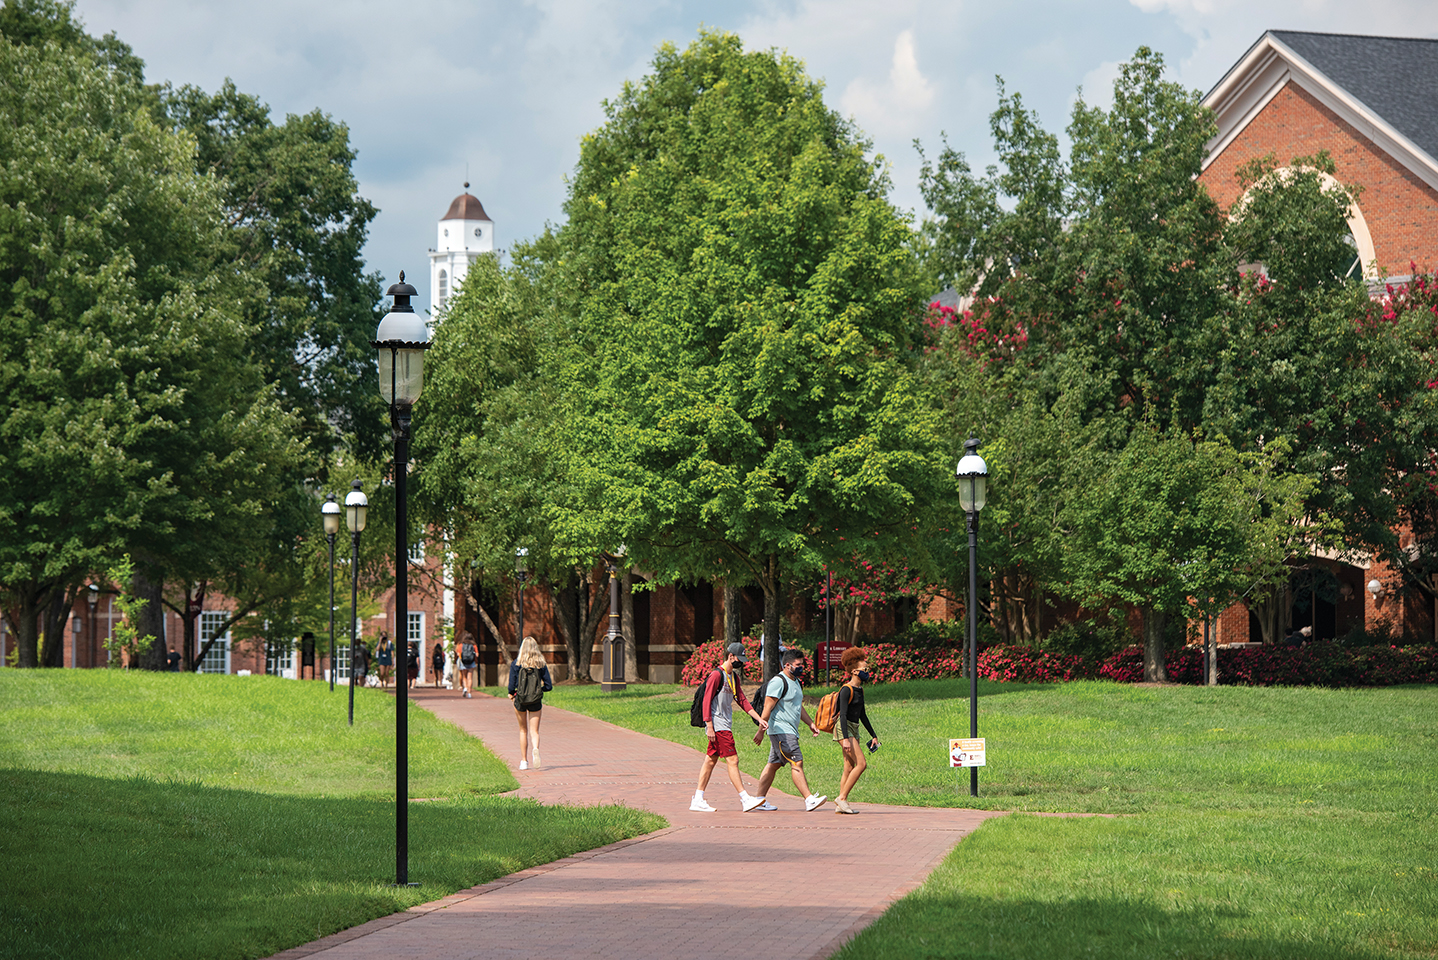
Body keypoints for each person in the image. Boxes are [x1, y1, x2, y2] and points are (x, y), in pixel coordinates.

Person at [691, 642, 768, 812]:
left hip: (724, 723)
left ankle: (697, 798)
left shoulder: (733, 677)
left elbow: (742, 700)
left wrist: (759, 718)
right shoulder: (716, 675)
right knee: (733, 760)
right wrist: (709, 725)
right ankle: (744, 798)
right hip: (718, 725)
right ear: (730, 656)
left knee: (710, 760)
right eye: (738, 659)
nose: (740, 662)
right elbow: (706, 700)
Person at [750, 649, 827, 812]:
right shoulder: (778, 682)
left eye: (802, 664)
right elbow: (767, 707)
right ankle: (809, 799)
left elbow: (798, 706)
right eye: (798, 665)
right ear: (787, 665)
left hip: (788, 730)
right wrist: (760, 731)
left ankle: (759, 800)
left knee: (773, 765)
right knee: (796, 761)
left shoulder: (796, 682)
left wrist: (810, 723)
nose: (801, 667)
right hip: (781, 731)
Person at [832, 646, 879, 814]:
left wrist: (873, 735)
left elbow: (863, 715)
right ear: (854, 672)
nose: (867, 672)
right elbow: (842, 715)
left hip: (854, 727)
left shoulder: (860, 690)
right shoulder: (846, 689)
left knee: (848, 767)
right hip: (844, 728)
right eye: (864, 669)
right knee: (862, 764)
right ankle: (842, 798)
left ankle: (840, 805)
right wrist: (845, 738)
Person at [507, 636, 553, 769]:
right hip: (535, 700)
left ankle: (523, 761)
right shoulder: (540, 664)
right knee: (535, 731)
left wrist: (512, 694)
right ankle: (536, 749)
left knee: (523, 730)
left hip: (520, 700)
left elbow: (511, 686)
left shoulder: (516, 663)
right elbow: (549, 686)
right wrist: (539, 690)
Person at [456, 631, 479, 698]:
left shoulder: (461, 645)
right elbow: (477, 654)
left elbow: (458, 653)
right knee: (470, 677)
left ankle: (465, 688)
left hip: (463, 662)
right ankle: (469, 693)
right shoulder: (474, 645)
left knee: (464, 676)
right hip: (471, 662)